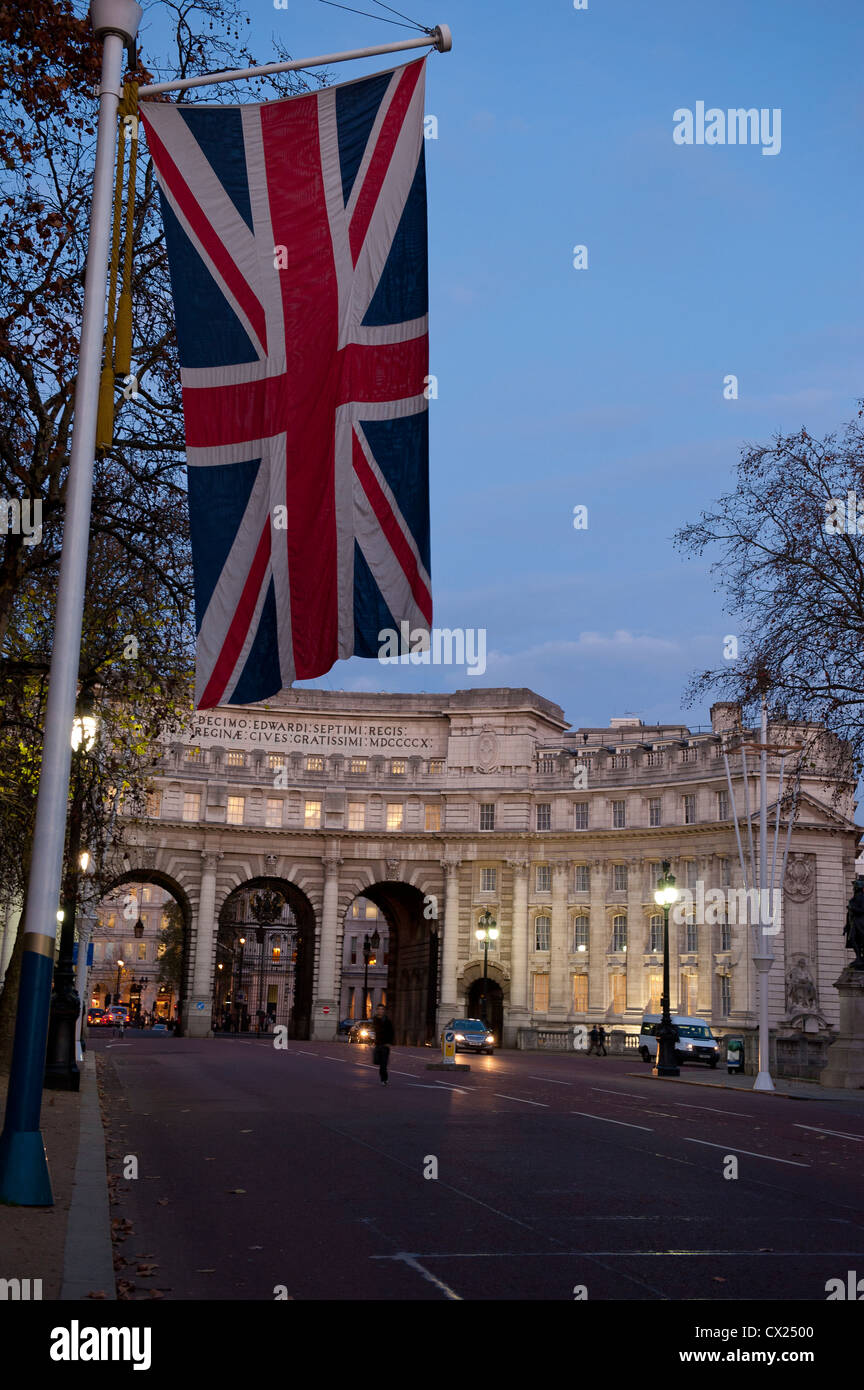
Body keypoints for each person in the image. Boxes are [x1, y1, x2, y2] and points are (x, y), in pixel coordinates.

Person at [371, 1004, 394, 1085]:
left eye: (382, 1009)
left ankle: (384, 1079)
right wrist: (373, 1042)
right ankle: (383, 1078)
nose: (381, 1011)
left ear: (384, 1011)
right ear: (377, 1010)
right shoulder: (375, 1019)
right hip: (378, 1044)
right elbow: (374, 1031)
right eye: (379, 1009)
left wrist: (390, 1043)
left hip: (385, 1045)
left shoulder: (387, 1021)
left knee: (383, 1064)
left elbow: (391, 1032)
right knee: (378, 1061)